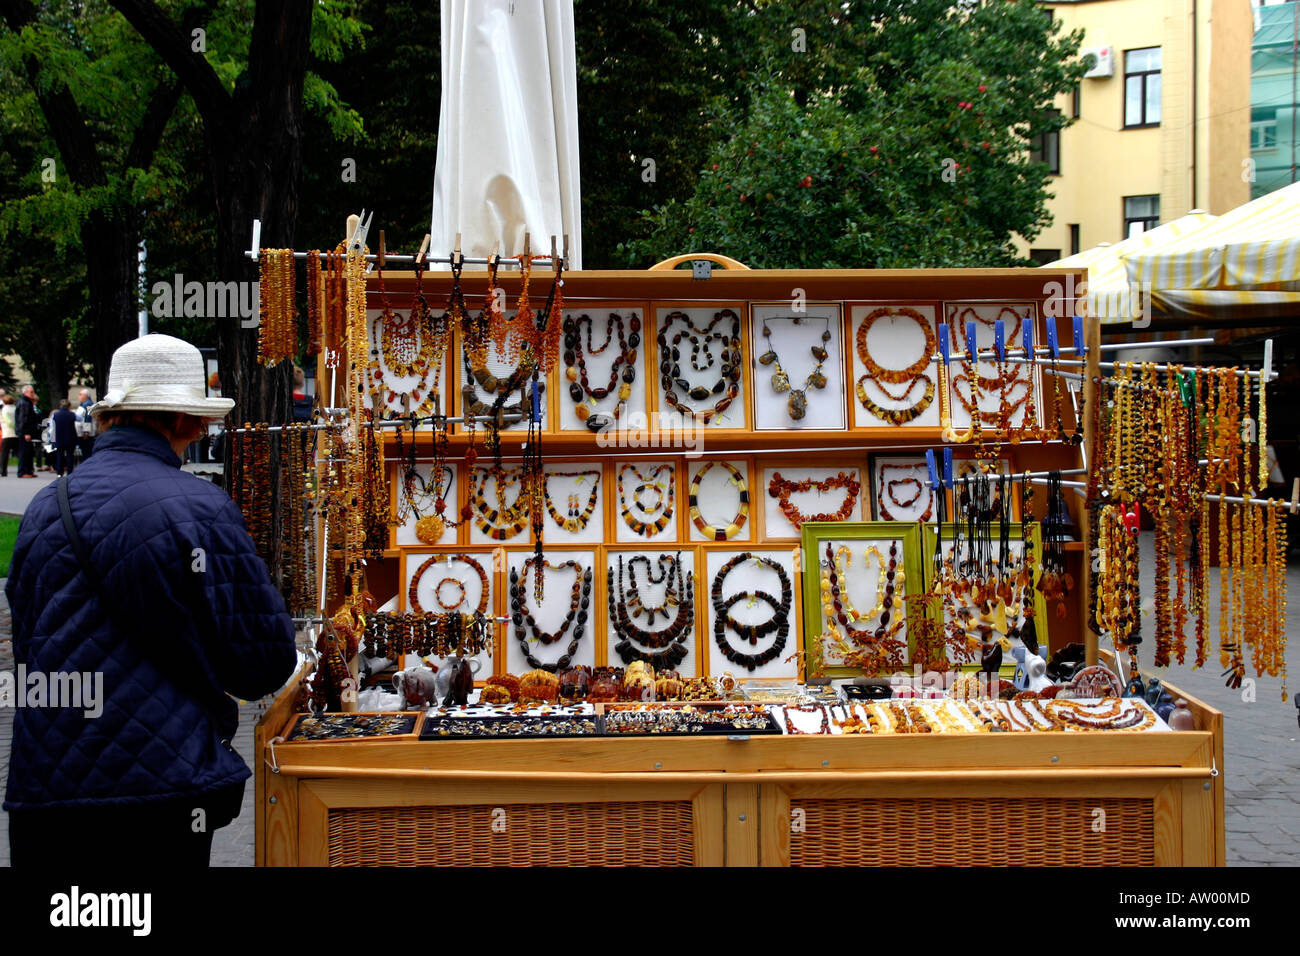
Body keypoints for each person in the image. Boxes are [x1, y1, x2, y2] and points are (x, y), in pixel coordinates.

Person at [5, 334, 298, 867]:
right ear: (187, 421)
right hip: (159, 789)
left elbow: (29, 638)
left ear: (111, 417)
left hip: (48, 789)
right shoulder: (200, 507)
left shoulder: (47, 508)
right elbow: (262, 663)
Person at [14, 384, 38, 477]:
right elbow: (23, 419)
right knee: (24, 452)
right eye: (31, 392)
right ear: (25, 392)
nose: (33, 394)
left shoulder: (27, 402)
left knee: (28, 452)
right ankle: (23, 471)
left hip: (27, 431)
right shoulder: (24, 402)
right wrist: (26, 432)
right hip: (25, 432)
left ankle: (28, 471)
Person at [51, 399, 78, 475]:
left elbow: (52, 427)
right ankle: (70, 472)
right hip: (70, 437)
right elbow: (80, 419)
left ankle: (60, 473)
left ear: (60, 406)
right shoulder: (72, 414)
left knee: (60, 456)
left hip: (59, 437)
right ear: (69, 406)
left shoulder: (56, 415)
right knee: (70, 456)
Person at [75, 387, 96, 461]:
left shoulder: (87, 404)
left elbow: (88, 418)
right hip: (84, 432)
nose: (78, 396)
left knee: (86, 450)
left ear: (86, 396)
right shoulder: (84, 404)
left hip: (87, 433)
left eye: (80, 394)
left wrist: (86, 432)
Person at [0, 394, 16, 477]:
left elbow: (8, 421)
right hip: (16, 435)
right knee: (19, 453)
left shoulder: (4, 409)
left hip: (7, 434)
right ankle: (23, 469)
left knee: (4, 454)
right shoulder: (15, 408)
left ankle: (3, 471)